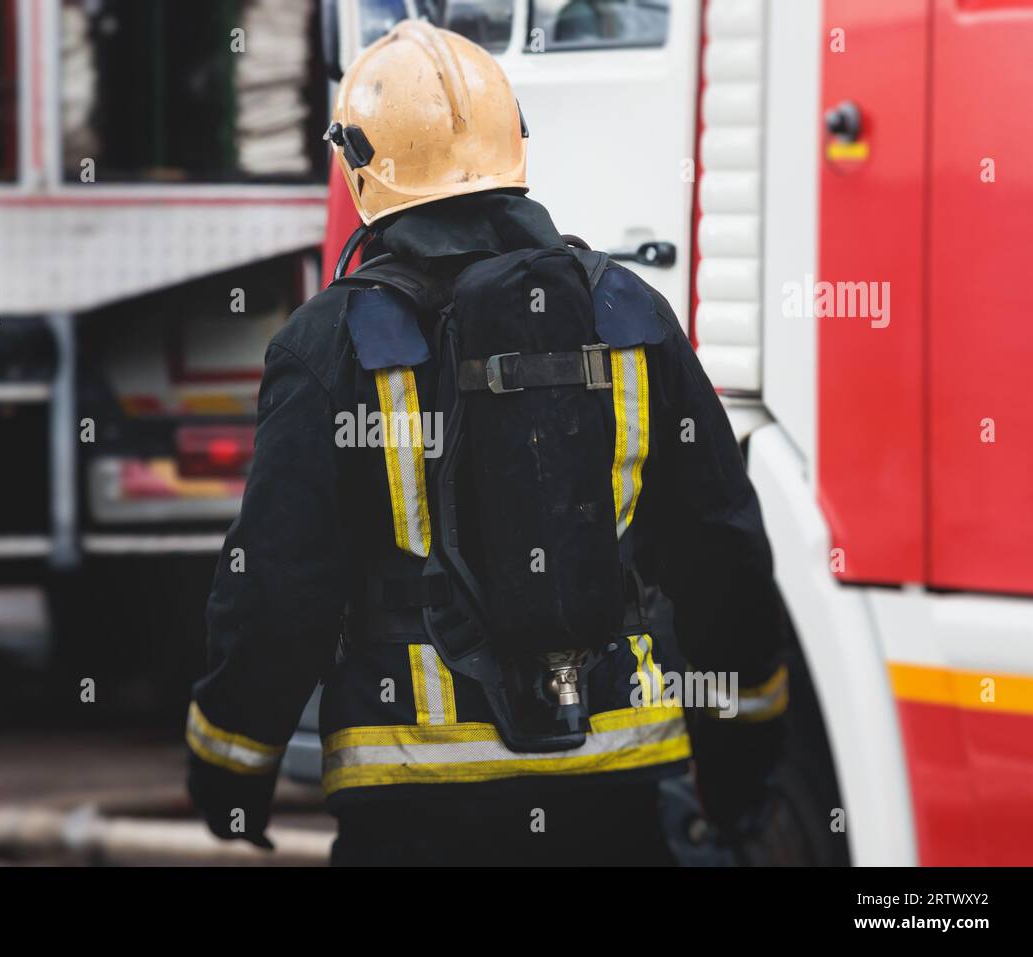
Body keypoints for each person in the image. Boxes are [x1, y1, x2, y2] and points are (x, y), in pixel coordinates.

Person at [186, 19, 786, 866]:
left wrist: (231, 772)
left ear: (362, 170)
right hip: (612, 794)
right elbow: (720, 551)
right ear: (516, 148)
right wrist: (740, 763)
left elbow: (276, 591)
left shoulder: (327, 347)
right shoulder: (631, 318)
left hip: (412, 815)